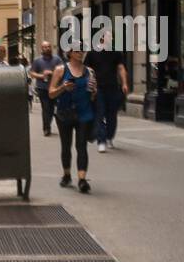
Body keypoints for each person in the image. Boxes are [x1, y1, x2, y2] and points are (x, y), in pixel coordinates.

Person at [49, 46, 97, 192]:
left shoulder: (90, 71)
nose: (80, 53)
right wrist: (63, 87)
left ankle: (82, 180)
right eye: (77, 50)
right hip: (64, 114)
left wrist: (94, 91)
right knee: (66, 145)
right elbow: (51, 93)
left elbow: (93, 95)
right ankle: (67, 174)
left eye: (82, 50)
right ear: (69, 53)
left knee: (81, 146)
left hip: (84, 113)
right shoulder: (60, 70)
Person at [85, 34, 129, 152]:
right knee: (99, 113)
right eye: (109, 37)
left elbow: (121, 68)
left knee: (112, 115)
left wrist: (124, 83)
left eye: (112, 38)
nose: (111, 39)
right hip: (97, 89)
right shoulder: (92, 54)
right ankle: (101, 140)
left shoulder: (116, 53)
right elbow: (87, 71)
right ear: (101, 38)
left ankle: (109, 137)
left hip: (113, 88)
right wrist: (89, 86)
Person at [29, 41, 63, 136]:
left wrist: (53, 73)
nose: (47, 48)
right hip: (42, 88)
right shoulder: (37, 60)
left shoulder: (57, 59)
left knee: (53, 109)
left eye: (49, 47)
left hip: (55, 88)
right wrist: (41, 75)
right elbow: (32, 73)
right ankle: (46, 128)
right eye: (45, 47)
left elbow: (62, 70)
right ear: (41, 49)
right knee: (46, 108)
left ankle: (50, 124)